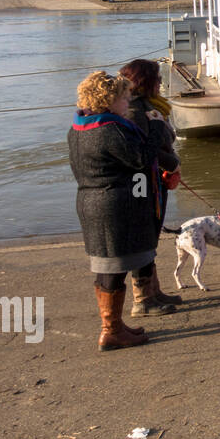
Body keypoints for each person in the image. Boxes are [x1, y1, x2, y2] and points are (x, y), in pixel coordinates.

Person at [68, 71, 160, 350]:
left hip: (91, 201)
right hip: (113, 205)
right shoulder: (109, 129)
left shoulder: (78, 127)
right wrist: (155, 127)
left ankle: (115, 326)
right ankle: (110, 331)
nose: (128, 101)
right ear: (109, 101)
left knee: (107, 266)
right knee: (112, 270)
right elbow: (141, 159)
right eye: (124, 97)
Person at [120, 58, 182, 314]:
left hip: (155, 178)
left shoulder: (146, 106)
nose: (161, 83)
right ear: (146, 82)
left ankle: (153, 291)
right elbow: (149, 149)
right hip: (144, 181)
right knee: (144, 235)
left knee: (152, 234)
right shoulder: (136, 111)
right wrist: (173, 163)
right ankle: (142, 299)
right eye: (157, 79)